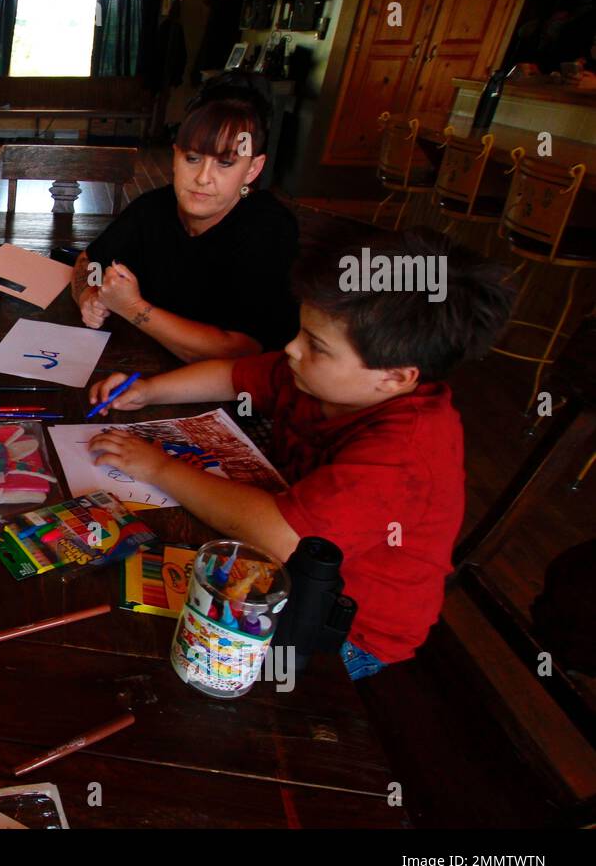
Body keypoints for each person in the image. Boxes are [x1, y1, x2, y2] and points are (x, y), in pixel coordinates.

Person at [85, 226, 513, 679]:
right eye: (302, 331)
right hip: (277, 573)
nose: (291, 347)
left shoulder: (405, 453)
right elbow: (236, 374)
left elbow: (282, 537)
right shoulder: (316, 376)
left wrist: (156, 465)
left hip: (341, 635)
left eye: (316, 346)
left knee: (137, 645)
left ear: (395, 378)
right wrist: (148, 391)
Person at [72, 72, 299, 362]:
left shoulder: (268, 227)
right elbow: (87, 261)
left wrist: (133, 308)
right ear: (175, 156)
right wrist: (88, 296)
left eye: (225, 163)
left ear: (253, 169)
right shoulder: (153, 207)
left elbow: (240, 349)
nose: (203, 178)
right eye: (192, 158)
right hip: (145, 368)